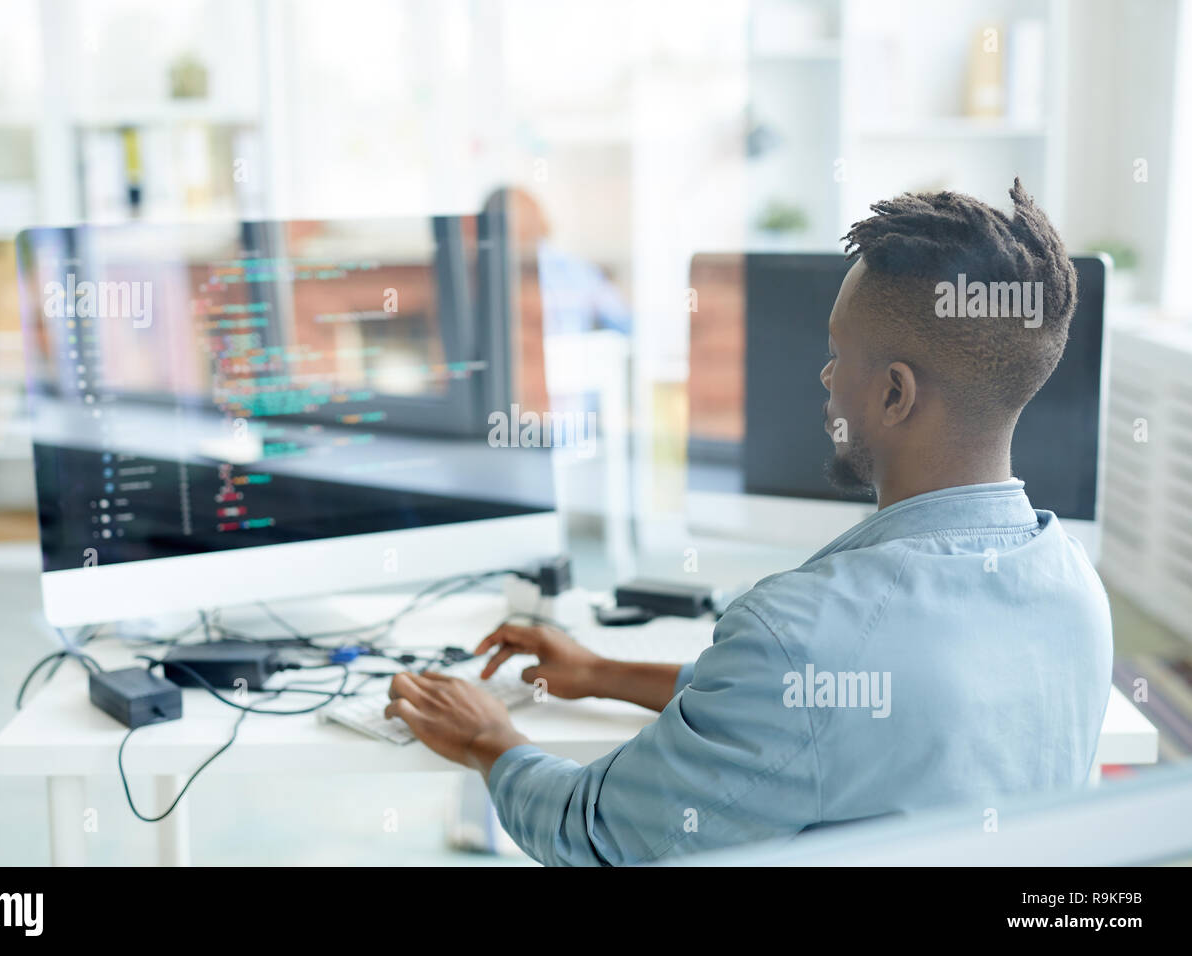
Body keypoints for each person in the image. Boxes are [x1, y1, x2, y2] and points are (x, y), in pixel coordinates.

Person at [385, 179, 1113, 866]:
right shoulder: (1076, 589)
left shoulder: (798, 631)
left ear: (895, 394)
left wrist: (489, 741)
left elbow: (600, 836)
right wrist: (602, 673)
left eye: (837, 356)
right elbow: (836, 710)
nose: (826, 378)